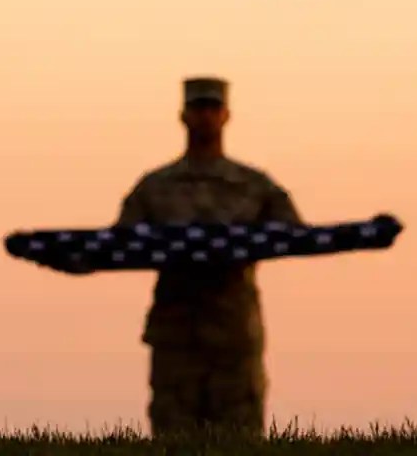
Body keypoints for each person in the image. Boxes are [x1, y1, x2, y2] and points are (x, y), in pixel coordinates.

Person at [113, 76, 304, 439]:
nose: (205, 116)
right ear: (183, 115)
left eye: (212, 108)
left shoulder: (254, 186)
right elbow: (121, 242)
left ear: (226, 115)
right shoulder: (155, 188)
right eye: (198, 108)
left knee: (239, 436)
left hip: (233, 335)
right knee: (174, 436)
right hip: (175, 334)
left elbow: (293, 233)